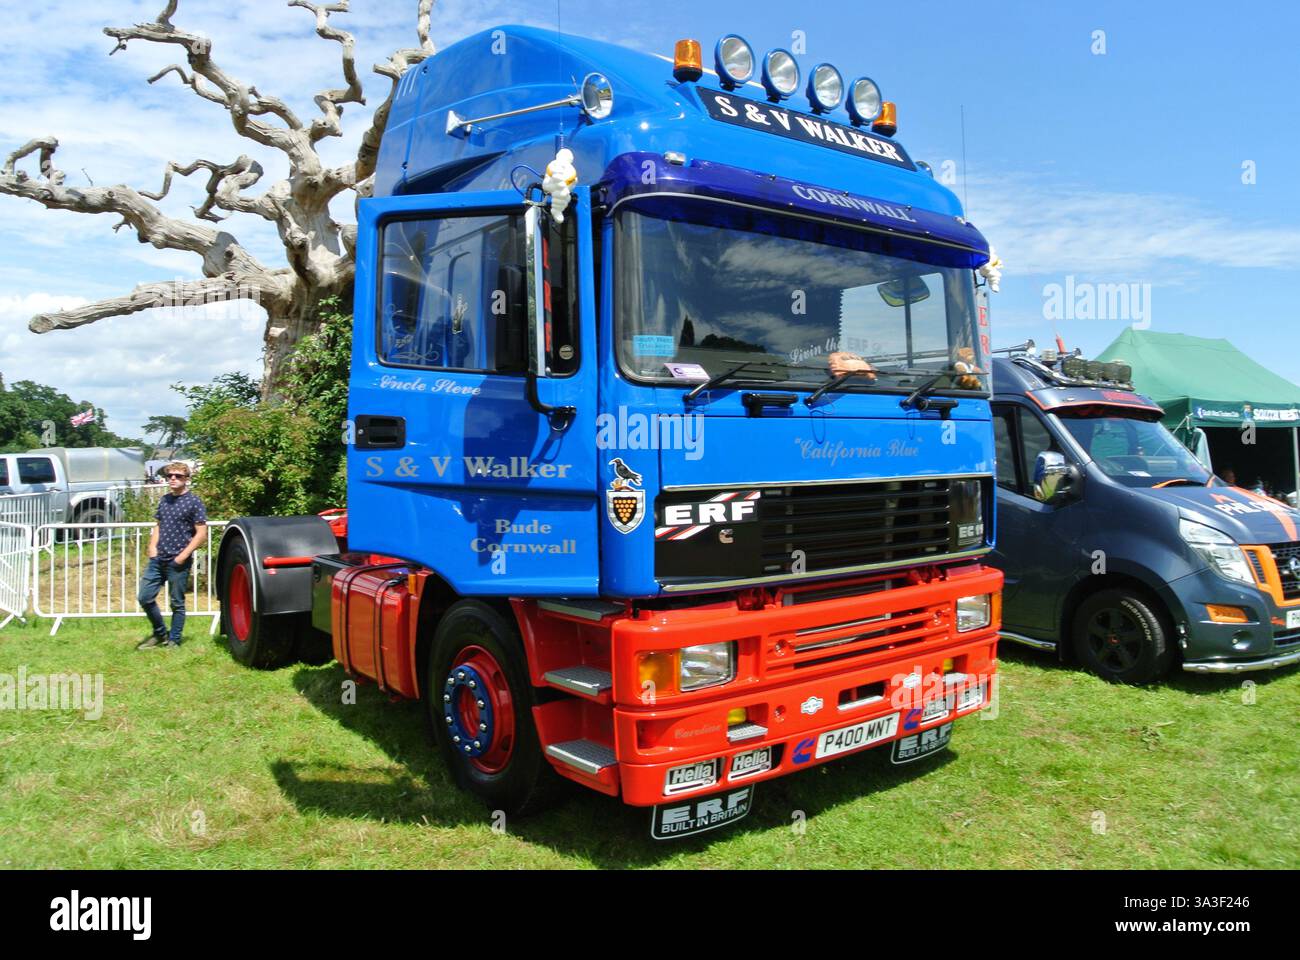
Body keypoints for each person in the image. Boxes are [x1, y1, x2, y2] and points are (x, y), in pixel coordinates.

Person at [136, 462, 207, 650]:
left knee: (177, 603)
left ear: (186, 479)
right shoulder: (165, 500)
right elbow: (159, 525)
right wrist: (152, 546)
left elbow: (201, 533)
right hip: (158, 559)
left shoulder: (194, 502)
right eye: (170, 476)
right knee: (144, 597)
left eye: (178, 476)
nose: (173, 479)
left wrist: (182, 556)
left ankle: (174, 640)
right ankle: (160, 634)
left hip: (178, 561)